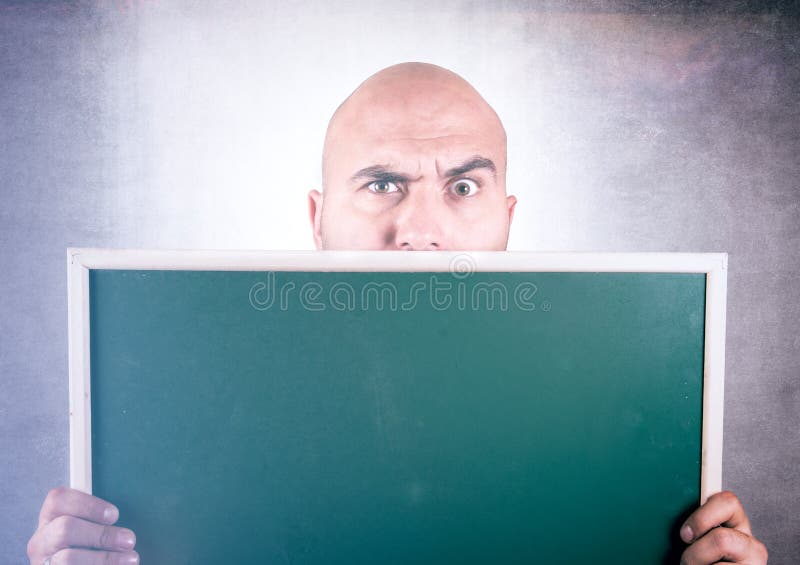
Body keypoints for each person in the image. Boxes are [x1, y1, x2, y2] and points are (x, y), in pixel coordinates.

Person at [27, 62, 768, 565]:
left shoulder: (613, 418)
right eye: (382, 183)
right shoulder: (185, 418)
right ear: (317, 219)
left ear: (508, 218)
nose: (421, 229)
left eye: (465, 188)